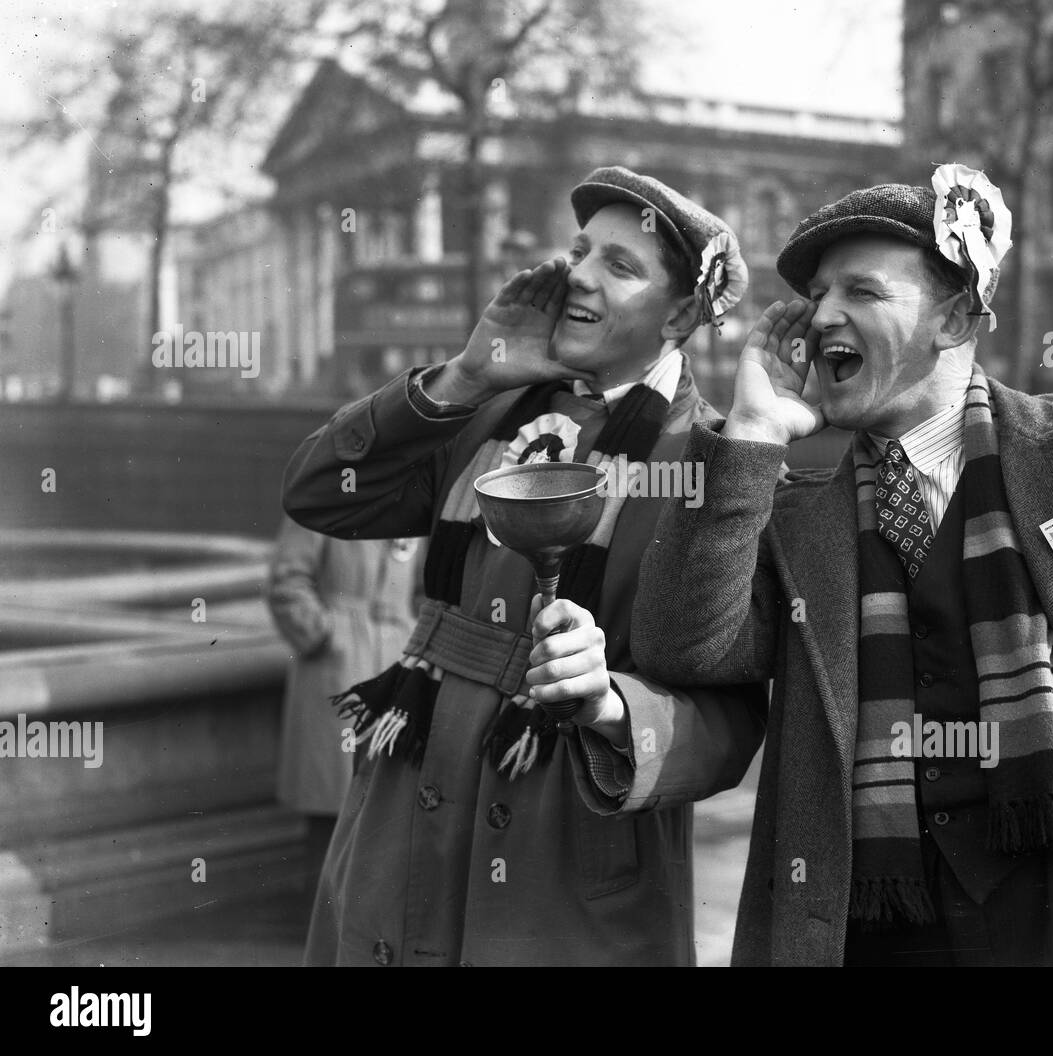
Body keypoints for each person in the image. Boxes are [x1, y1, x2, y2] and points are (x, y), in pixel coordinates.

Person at [631, 164, 1053, 967]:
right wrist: (750, 435)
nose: (821, 317)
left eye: (862, 292)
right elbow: (682, 647)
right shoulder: (793, 513)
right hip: (882, 935)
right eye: (818, 296)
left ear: (953, 318)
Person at [281, 166, 766, 966]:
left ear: (680, 313)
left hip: (567, 857)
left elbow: (731, 722)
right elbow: (318, 494)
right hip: (397, 837)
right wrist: (466, 374)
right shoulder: (488, 411)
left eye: (620, 265)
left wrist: (611, 705)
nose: (577, 272)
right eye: (580, 251)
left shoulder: (714, 464)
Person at [266, 518, 425, 890]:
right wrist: (325, 635)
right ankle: (322, 927)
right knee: (333, 809)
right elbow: (287, 582)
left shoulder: (417, 498)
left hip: (399, 669)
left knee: (389, 809)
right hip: (338, 669)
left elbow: (425, 588)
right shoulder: (327, 494)